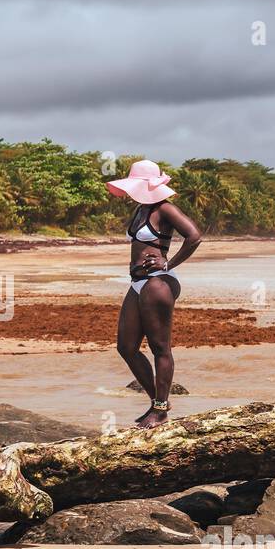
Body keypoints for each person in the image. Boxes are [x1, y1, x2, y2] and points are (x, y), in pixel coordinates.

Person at [106, 159, 202, 427]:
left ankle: (160, 411)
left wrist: (168, 263)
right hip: (138, 283)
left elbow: (194, 236)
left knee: (160, 347)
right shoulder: (141, 209)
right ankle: (157, 404)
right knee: (126, 347)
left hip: (158, 283)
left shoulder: (165, 209)